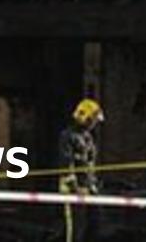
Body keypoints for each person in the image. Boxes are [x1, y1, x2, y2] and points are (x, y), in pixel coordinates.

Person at [60, 99, 104, 242]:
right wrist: (75, 187)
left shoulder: (88, 137)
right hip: (74, 188)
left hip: (88, 186)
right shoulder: (68, 136)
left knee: (93, 223)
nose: (94, 124)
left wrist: (93, 185)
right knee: (75, 227)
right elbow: (67, 163)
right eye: (93, 120)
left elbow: (90, 162)